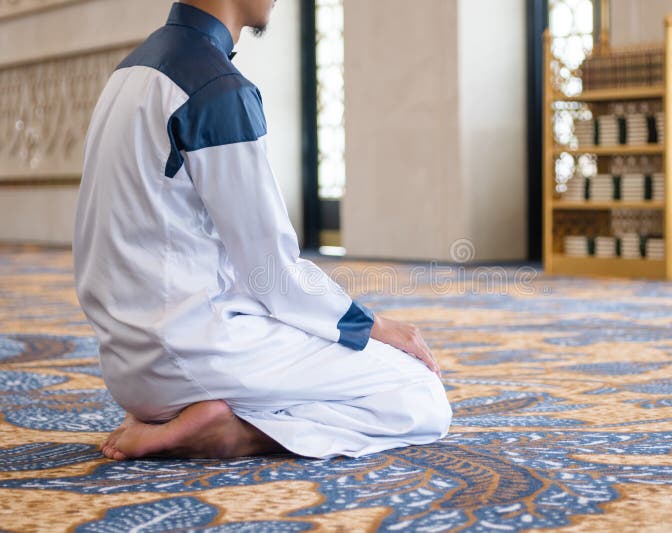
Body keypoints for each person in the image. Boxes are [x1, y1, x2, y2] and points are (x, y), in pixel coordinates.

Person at [73, 0, 452, 460]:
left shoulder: (130, 71)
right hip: (194, 353)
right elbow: (273, 273)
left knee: (316, 352)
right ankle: (232, 435)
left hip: (126, 363)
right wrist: (375, 325)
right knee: (418, 393)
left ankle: (177, 417)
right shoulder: (215, 89)